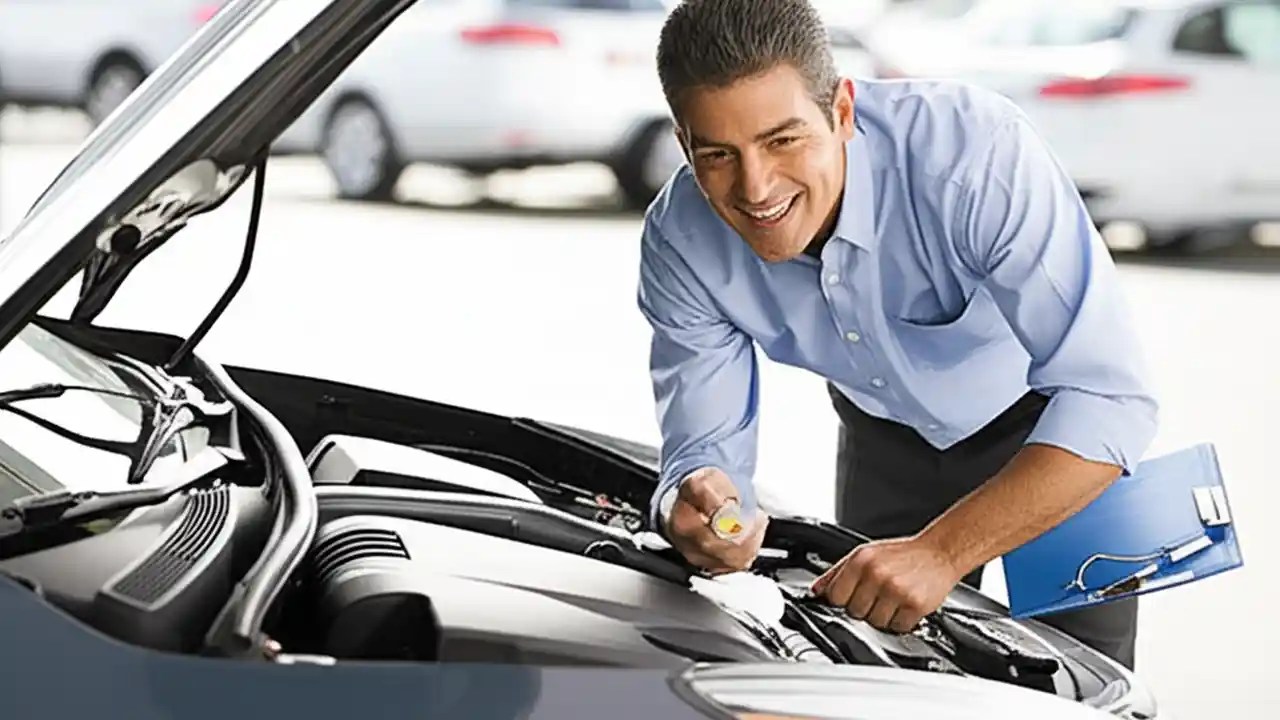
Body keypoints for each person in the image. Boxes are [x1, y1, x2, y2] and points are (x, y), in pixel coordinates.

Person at [636, 0, 1157, 670]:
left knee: (1086, 685)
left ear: (842, 111)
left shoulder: (976, 155)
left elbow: (1110, 396)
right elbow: (703, 453)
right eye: (717, 154)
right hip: (883, 438)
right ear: (684, 144)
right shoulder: (680, 240)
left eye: (782, 140)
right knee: (887, 680)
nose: (756, 187)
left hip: (1056, 441)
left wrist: (941, 553)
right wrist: (700, 500)